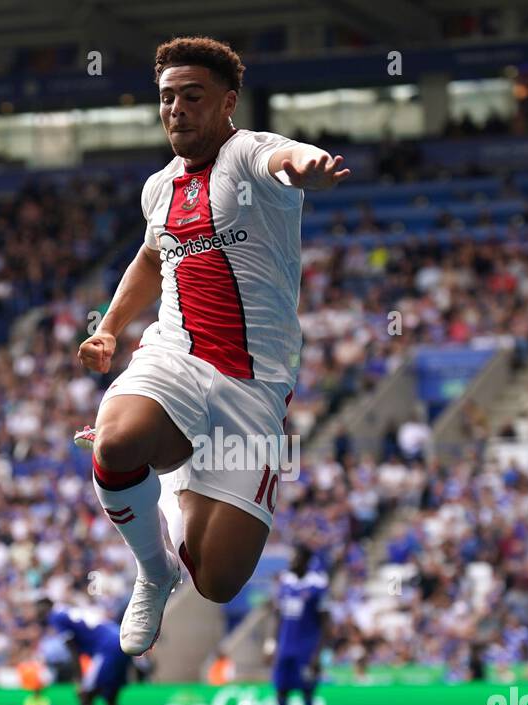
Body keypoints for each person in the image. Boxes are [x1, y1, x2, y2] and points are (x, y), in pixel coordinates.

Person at [75, 35, 350, 657]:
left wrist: (307, 165)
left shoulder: (250, 155)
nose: (176, 109)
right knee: (117, 440)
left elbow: (287, 156)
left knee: (220, 579)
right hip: (173, 353)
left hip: (254, 383)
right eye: (167, 98)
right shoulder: (158, 188)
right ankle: (152, 568)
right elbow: (151, 256)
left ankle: (173, 493)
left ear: (227, 102)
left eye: (191, 97)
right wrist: (111, 328)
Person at [33, 596, 132, 705]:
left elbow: (72, 649)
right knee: (111, 700)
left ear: (47, 605)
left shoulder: (56, 616)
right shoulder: (68, 610)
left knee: (85, 697)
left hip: (107, 648)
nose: (36, 611)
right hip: (121, 640)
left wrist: (78, 681)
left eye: (39, 607)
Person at [260, 545, 329, 705]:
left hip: (305, 653)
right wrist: (272, 644)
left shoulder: (317, 585)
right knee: (281, 697)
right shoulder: (286, 583)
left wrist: (318, 655)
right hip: (285, 651)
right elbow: (278, 616)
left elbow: (326, 624)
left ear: (307, 560)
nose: (291, 561)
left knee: (307, 699)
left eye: (296, 557)